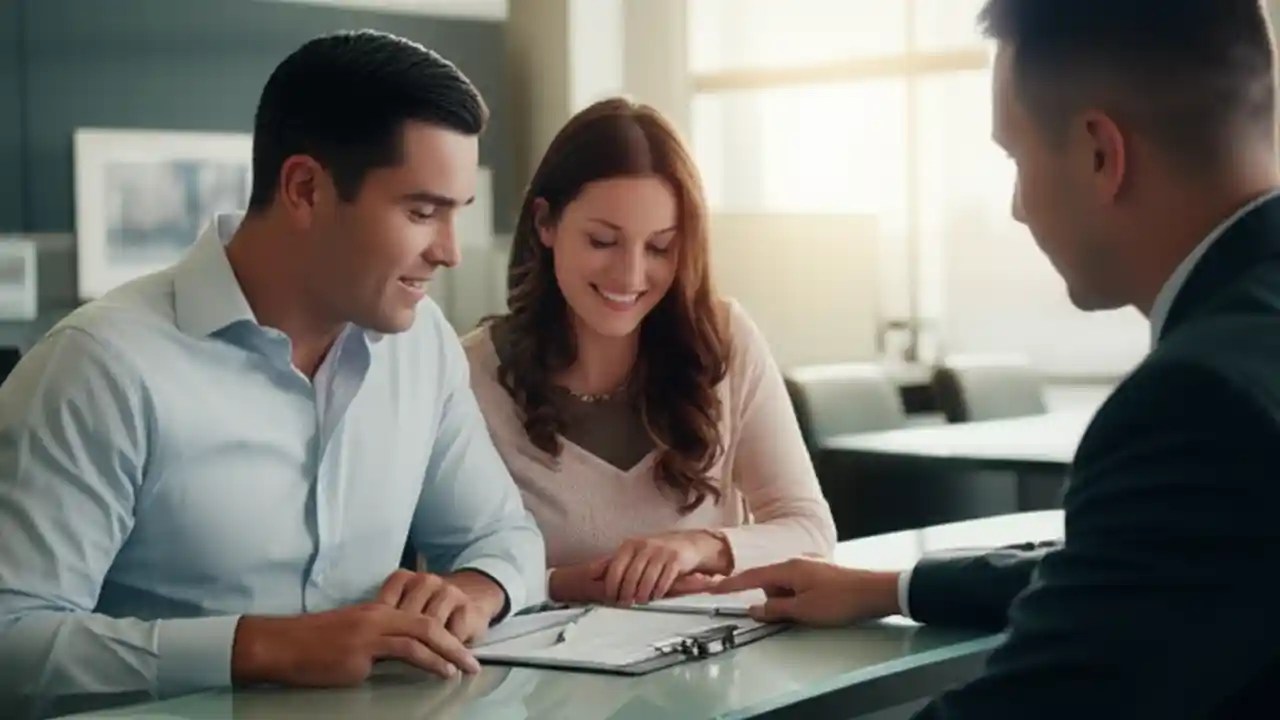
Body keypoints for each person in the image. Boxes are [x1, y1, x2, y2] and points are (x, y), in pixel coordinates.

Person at [717, 0, 1280, 716]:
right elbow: (1164, 572)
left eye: (1015, 157)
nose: (1016, 207)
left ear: (1100, 154)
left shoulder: (1197, 403)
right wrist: (891, 588)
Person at [0, 30, 544, 718]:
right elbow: (12, 641)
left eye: (456, 214)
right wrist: (262, 648)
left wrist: (473, 589)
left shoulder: (422, 345)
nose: (449, 252)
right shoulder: (100, 367)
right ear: (306, 189)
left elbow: (506, 538)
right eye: (420, 211)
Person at [461, 98, 836, 606]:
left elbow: (810, 530)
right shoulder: (469, 375)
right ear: (545, 223)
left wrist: (698, 548)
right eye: (603, 241)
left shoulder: (724, 340)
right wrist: (562, 584)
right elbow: (453, 575)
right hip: (542, 679)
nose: (631, 276)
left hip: (716, 670)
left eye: (660, 247)